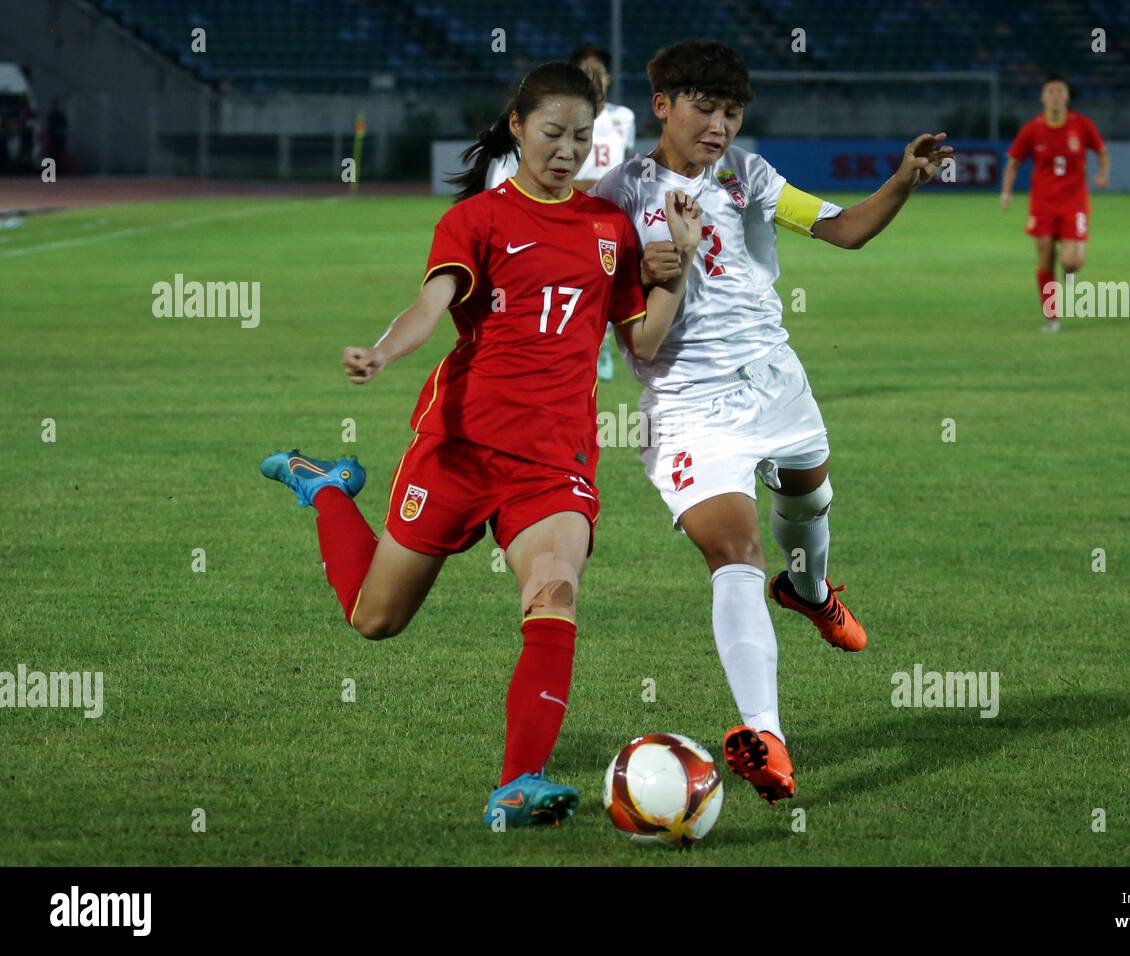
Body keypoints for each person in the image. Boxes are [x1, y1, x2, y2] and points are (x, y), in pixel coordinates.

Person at [261, 62, 698, 828]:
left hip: (553, 459)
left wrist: (677, 273)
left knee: (555, 592)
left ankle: (516, 785)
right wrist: (382, 352)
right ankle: (324, 486)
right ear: (519, 127)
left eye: (582, 138)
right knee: (375, 618)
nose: (567, 150)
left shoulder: (608, 230)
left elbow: (644, 341)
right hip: (459, 447)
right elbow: (428, 309)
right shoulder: (477, 220)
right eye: (554, 133)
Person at [592, 39, 951, 805]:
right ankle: (768, 737)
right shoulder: (617, 199)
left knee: (808, 506)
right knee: (737, 554)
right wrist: (673, 266)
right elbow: (639, 342)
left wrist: (903, 179)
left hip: (778, 387)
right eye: (704, 108)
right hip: (690, 412)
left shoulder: (749, 175)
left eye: (732, 111)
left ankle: (812, 593)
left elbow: (844, 230)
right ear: (662, 106)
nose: (720, 125)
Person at [485, 44, 637, 380]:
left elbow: (625, 165)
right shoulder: (550, 124)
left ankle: (599, 344)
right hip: (563, 214)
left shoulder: (622, 118)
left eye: (600, 73)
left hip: (604, 220)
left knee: (607, 286)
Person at [1000, 74, 1109, 332]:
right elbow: (1013, 163)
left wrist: (1103, 175)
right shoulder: (1032, 129)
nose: (1055, 96)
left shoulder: (1082, 125)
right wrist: (1006, 193)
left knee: (1071, 262)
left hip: (1075, 202)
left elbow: (1102, 152)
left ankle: (1069, 269)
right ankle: (1052, 317)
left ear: (1067, 96)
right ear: (1042, 97)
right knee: (1045, 255)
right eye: (1050, 91)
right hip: (1043, 204)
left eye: (1060, 91)